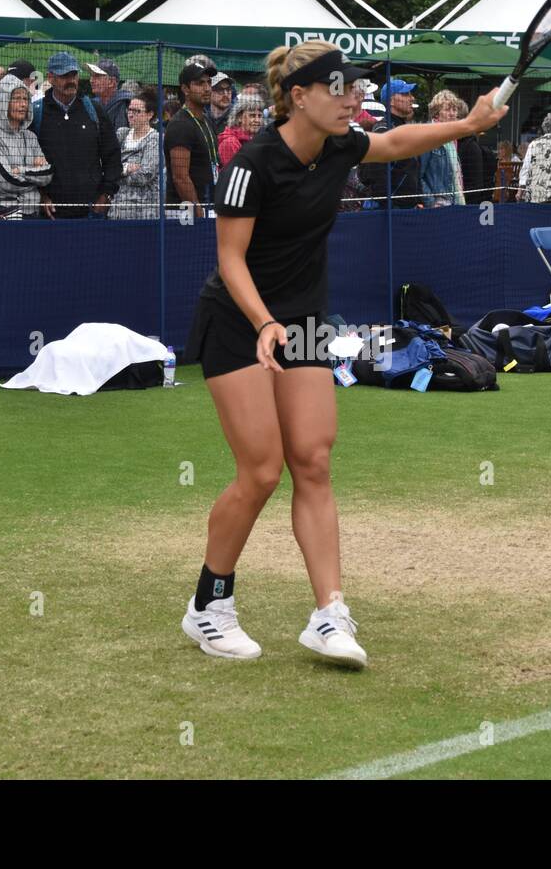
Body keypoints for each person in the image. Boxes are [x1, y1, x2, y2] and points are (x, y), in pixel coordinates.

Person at [180, 40, 508, 667]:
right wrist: (263, 321)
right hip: (237, 322)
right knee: (261, 471)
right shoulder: (252, 163)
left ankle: (328, 616)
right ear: (299, 96)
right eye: (340, 89)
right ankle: (208, 606)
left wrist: (469, 123)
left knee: (314, 460)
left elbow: (396, 142)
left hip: (302, 322)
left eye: (354, 89)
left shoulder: (339, 146)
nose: (353, 98)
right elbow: (229, 259)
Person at [31, 51, 122, 219]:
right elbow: (26, 160)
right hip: (50, 215)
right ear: (51, 78)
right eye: (65, 76)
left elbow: (113, 156)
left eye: (74, 75)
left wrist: (106, 196)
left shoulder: (94, 110)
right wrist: (40, 196)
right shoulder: (36, 113)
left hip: (91, 212)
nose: (71, 80)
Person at [0, 74, 53, 219]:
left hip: (32, 214)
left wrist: (20, 171)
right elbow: (7, 180)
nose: (23, 104)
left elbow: (48, 174)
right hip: (4, 215)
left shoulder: (30, 137)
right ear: (4, 101)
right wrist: (34, 176)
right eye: (16, 99)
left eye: (25, 99)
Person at [164, 60, 221, 216]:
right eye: (200, 83)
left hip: (207, 206)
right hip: (184, 212)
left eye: (209, 83)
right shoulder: (180, 125)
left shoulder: (207, 120)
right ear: (185, 89)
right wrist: (198, 212)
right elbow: (180, 177)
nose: (207, 88)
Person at [359, 78, 422, 208]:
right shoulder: (383, 129)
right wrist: (390, 206)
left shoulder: (404, 128)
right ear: (391, 101)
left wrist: (419, 199)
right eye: (405, 94)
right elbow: (377, 175)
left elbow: (414, 169)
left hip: (408, 210)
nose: (411, 98)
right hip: (388, 213)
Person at [110, 88, 161, 219]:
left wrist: (118, 173)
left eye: (137, 111)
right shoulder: (121, 133)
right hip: (117, 210)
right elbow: (108, 168)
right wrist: (127, 168)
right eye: (130, 110)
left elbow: (144, 175)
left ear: (150, 114)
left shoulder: (155, 139)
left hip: (145, 213)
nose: (130, 114)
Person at [418, 89, 467, 206]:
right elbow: (418, 176)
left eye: (454, 109)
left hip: (455, 202)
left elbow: (455, 175)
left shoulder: (452, 137)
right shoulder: (429, 136)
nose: (452, 113)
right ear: (436, 113)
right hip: (439, 205)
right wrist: (431, 202)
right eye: (447, 109)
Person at [518, 112, 551, 204]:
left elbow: (526, 169)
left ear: (544, 127)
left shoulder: (534, 144)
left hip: (537, 195)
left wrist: (520, 191)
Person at [216, 94, 264, 165]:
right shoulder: (230, 143)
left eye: (259, 116)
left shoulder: (256, 139)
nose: (257, 120)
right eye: (252, 115)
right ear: (239, 117)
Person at [87, 59, 129, 131]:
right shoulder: (91, 104)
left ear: (111, 82)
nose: (91, 80)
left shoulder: (125, 104)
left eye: (97, 76)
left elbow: (120, 138)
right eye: (91, 76)